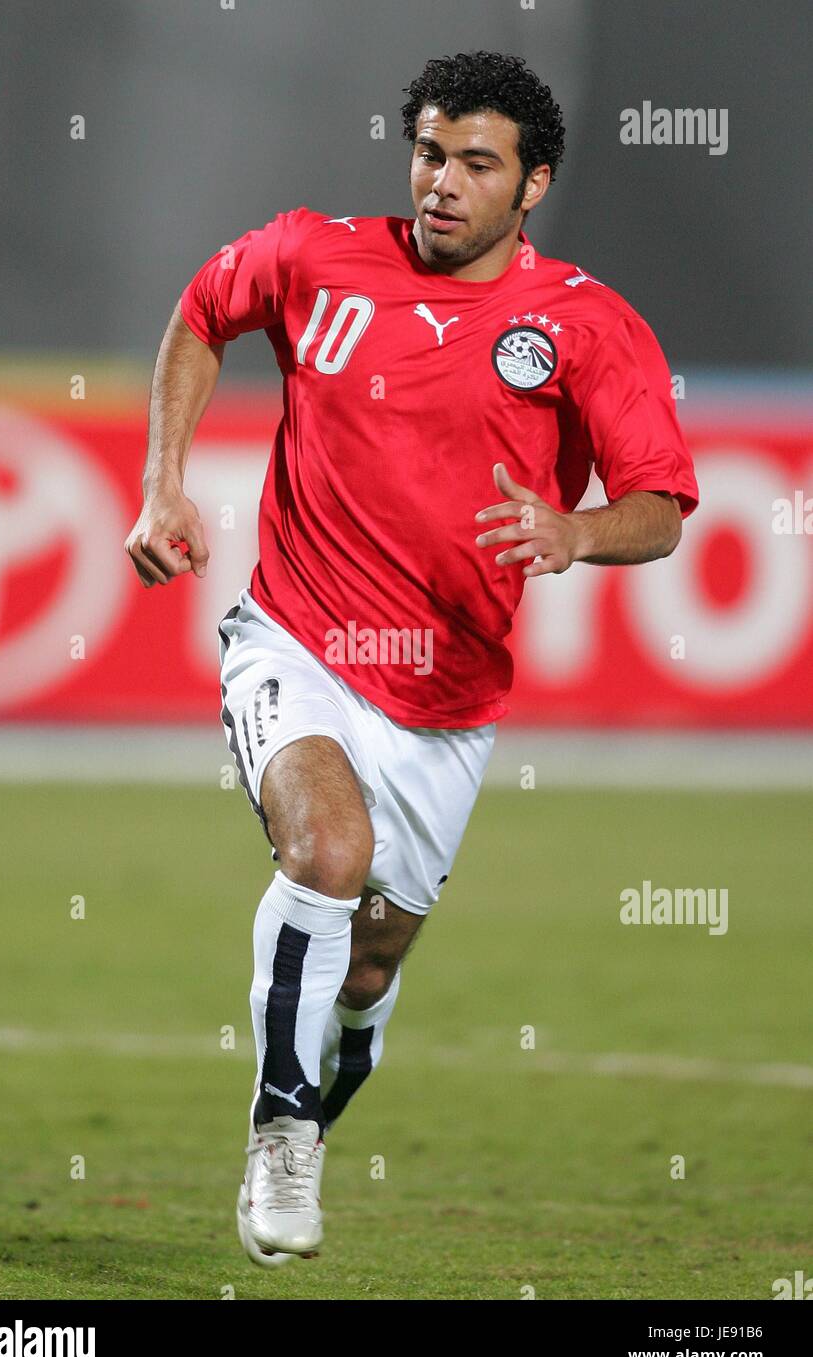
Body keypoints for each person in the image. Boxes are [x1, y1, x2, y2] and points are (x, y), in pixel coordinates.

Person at [124, 50, 699, 1266]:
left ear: (531, 184)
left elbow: (658, 504)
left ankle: (336, 1056)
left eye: (475, 163)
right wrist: (162, 482)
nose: (441, 182)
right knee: (325, 850)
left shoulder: (585, 327)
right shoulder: (314, 254)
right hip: (294, 637)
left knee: (370, 961)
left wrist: (572, 530)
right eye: (430, 151)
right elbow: (198, 312)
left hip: (447, 700)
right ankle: (282, 1127)